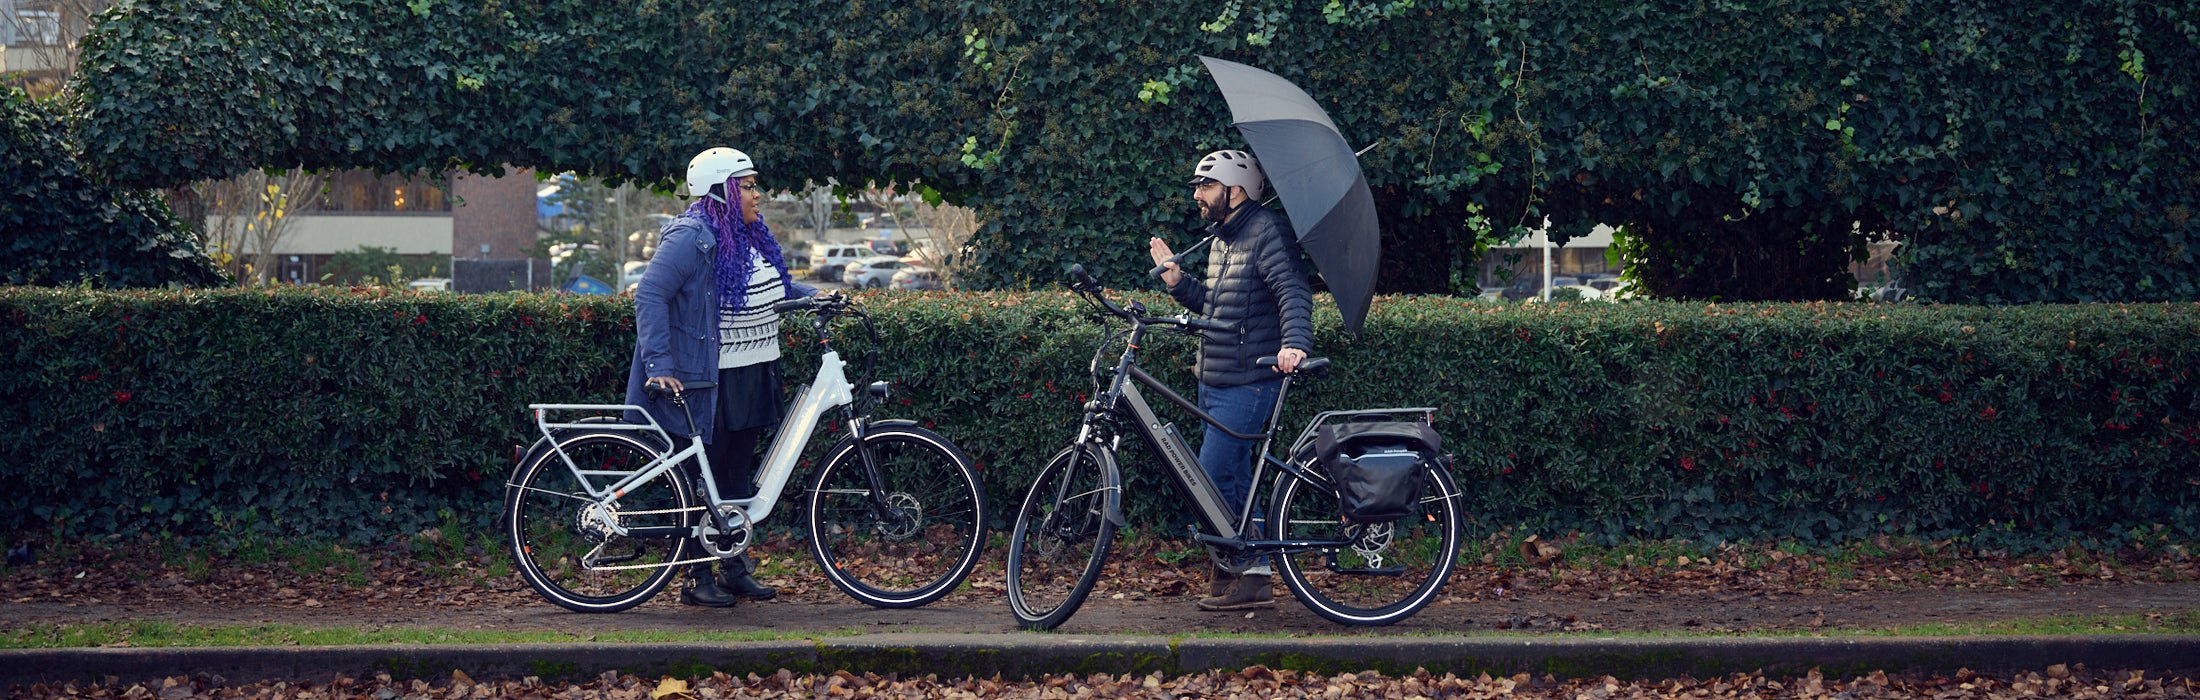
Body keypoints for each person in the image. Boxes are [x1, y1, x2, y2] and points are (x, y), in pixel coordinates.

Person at [623, 147, 817, 608]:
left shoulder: (747, 234)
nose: (757, 194)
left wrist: (815, 295)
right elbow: (649, 295)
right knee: (702, 480)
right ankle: (696, 578)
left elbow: (772, 286)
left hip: (752, 370)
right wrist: (659, 366)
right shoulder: (691, 236)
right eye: (748, 186)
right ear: (721, 191)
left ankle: (733, 568)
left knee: (734, 477)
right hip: (709, 382)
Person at [1146, 149, 1315, 611]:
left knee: (1215, 474)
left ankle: (1248, 566)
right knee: (1235, 478)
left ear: (1235, 190)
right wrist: (1178, 282)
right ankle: (1243, 569)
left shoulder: (1267, 231)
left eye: (1206, 186)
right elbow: (1217, 306)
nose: (1197, 196)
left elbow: (1293, 290)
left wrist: (1295, 344)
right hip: (1216, 377)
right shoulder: (1223, 238)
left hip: (1250, 378)